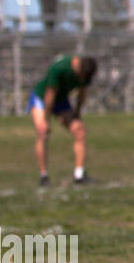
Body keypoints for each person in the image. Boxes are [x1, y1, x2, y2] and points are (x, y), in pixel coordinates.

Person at [30, 54, 97, 186]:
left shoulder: (85, 72)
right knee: (42, 132)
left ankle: (79, 174)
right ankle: (44, 176)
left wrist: (76, 113)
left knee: (79, 130)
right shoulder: (60, 68)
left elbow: (82, 94)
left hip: (61, 101)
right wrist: (46, 119)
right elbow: (50, 95)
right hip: (42, 99)